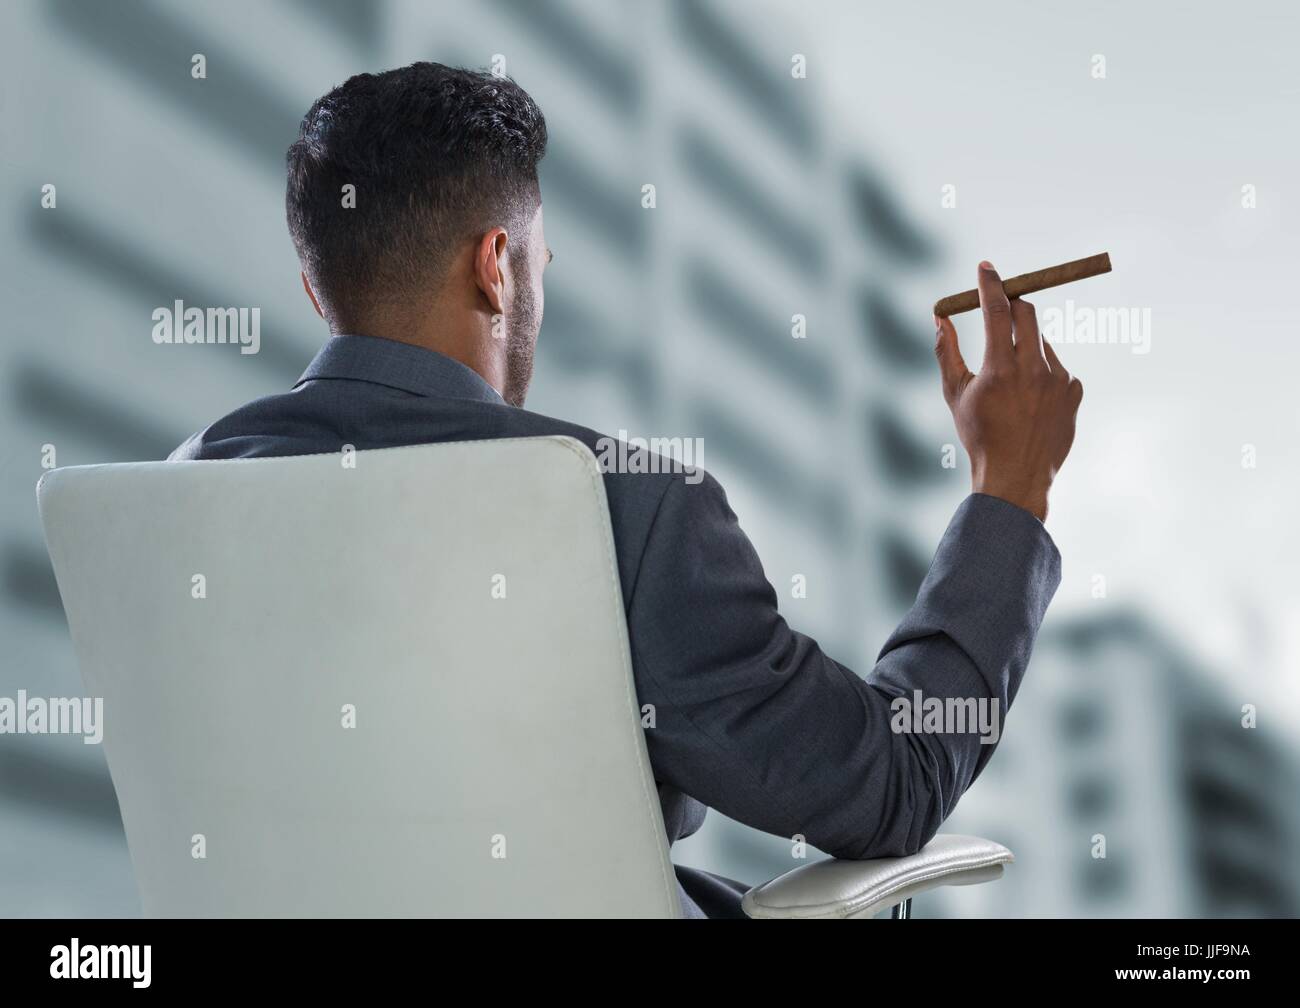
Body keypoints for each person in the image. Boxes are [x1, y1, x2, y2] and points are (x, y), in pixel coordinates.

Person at [171, 62, 1082, 918]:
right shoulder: (622, 510)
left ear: (313, 288)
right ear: (496, 266)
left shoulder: (183, 495)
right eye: (540, 262)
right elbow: (888, 785)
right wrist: (1010, 489)